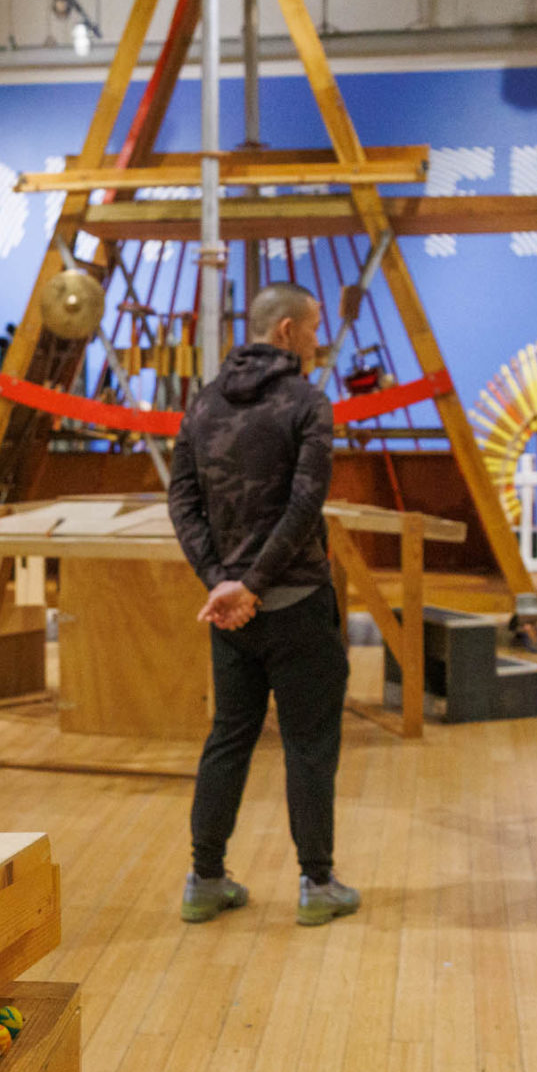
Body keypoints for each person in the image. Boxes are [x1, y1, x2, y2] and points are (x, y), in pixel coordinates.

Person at [167, 281, 362, 928]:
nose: (317, 337)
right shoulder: (307, 402)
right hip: (298, 604)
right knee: (308, 744)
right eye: (312, 326)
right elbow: (304, 506)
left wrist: (220, 583)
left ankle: (204, 879)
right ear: (284, 331)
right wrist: (249, 585)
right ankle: (316, 883)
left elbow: (182, 502)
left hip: (232, 615)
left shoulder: (202, 404)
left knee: (228, 737)